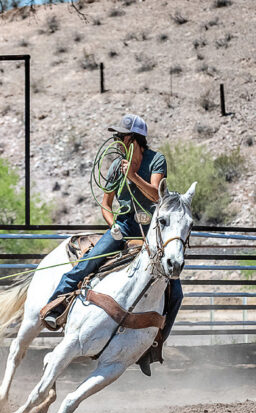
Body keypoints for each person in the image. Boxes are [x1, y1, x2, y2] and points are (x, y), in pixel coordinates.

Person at [40, 114, 183, 376]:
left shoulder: (156, 160)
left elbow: (156, 195)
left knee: (176, 293)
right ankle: (55, 305)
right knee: (89, 261)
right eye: (117, 136)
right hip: (126, 226)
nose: (117, 140)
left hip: (153, 230)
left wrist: (133, 176)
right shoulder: (116, 165)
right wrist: (113, 225)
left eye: (121, 136)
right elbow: (106, 204)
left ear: (135, 139)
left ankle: (153, 345)